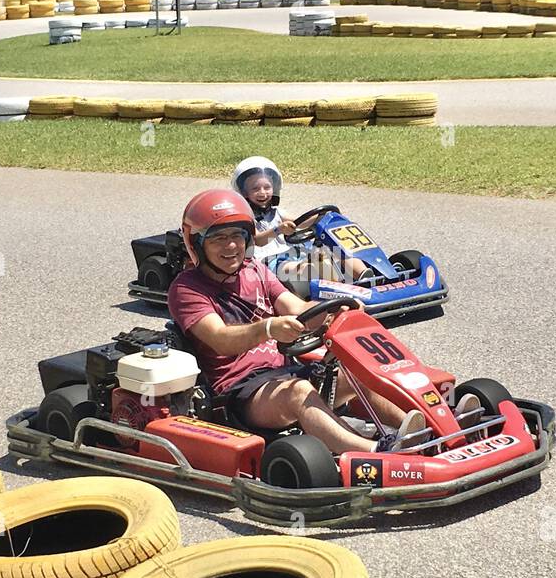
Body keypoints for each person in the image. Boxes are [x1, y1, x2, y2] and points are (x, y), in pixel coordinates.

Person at [167, 189, 425, 455]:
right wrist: (268, 328)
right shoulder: (187, 289)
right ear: (197, 243)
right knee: (299, 392)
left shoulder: (254, 270)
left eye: (237, 236)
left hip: (284, 373)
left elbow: (298, 308)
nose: (231, 246)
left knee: (359, 371)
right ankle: (377, 452)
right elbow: (220, 338)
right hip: (239, 391)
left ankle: (429, 432)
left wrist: (335, 311)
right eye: (218, 238)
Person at [230, 156, 369, 284]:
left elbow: (301, 222)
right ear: (244, 192)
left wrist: (325, 217)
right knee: (308, 268)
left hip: (297, 253)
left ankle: (366, 276)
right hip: (271, 262)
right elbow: (258, 241)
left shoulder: (277, 213)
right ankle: (338, 292)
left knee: (336, 251)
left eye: (267, 187)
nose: (262, 192)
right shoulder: (246, 217)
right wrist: (278, 230)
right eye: (255, 188)